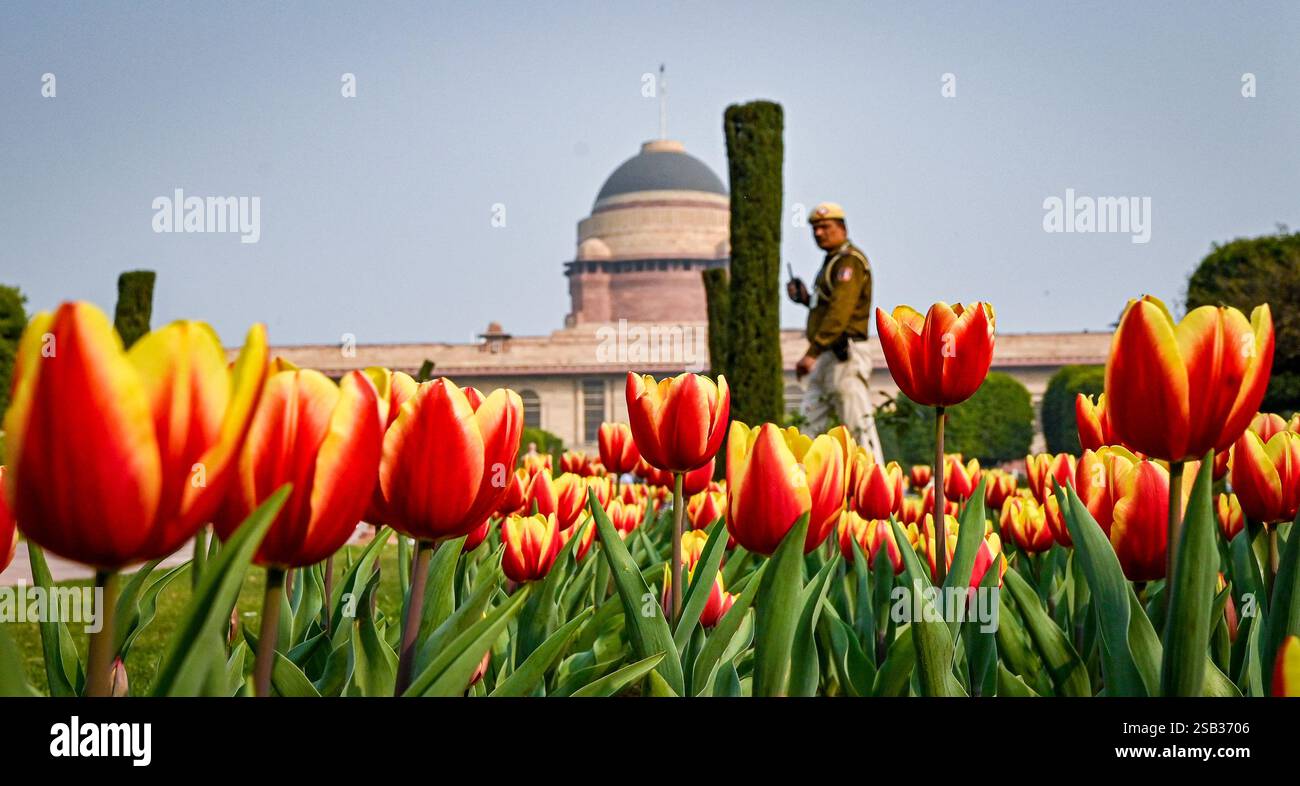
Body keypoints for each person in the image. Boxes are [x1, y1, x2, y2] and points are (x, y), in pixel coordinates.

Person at [787, 202, 885, 463]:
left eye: (825, 227)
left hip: (845, 353)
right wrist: (806, 299)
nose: (819, 233)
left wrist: (811, 352)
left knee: (858, 426)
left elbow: (840, 314)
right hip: (828, 355)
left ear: (842, 228)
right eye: (815, 228)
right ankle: (801, 480)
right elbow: (828, 307)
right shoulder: (831, 263)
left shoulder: (849, 263)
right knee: (808, 422)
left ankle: (877, 486)